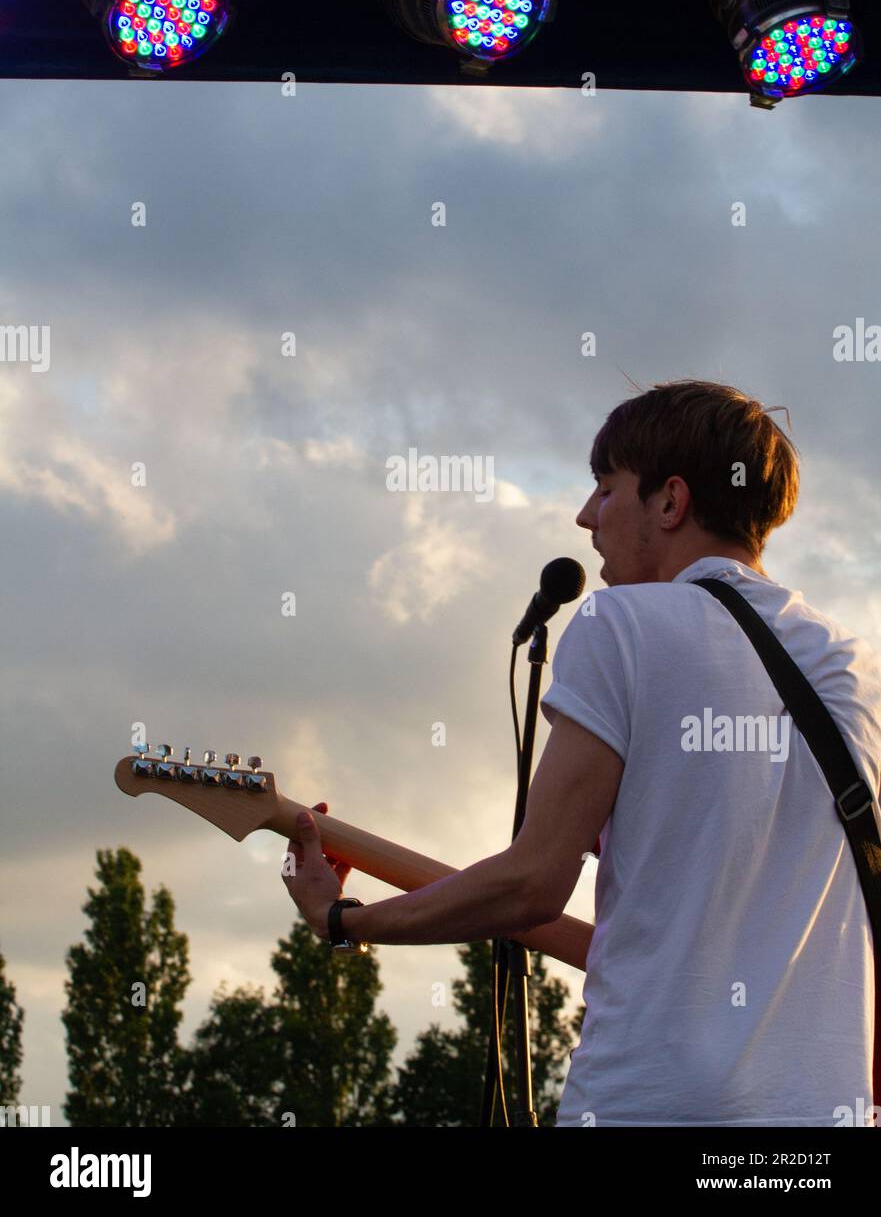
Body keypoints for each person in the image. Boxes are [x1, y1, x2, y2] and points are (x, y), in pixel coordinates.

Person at [283, 378, 881, 1127]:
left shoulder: (621, 624)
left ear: (669, 502)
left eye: (605, 489)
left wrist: (345, 923)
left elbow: (531, 883)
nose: (584, 517)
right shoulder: (852, 666)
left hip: (652, 1106)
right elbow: (673, 932)